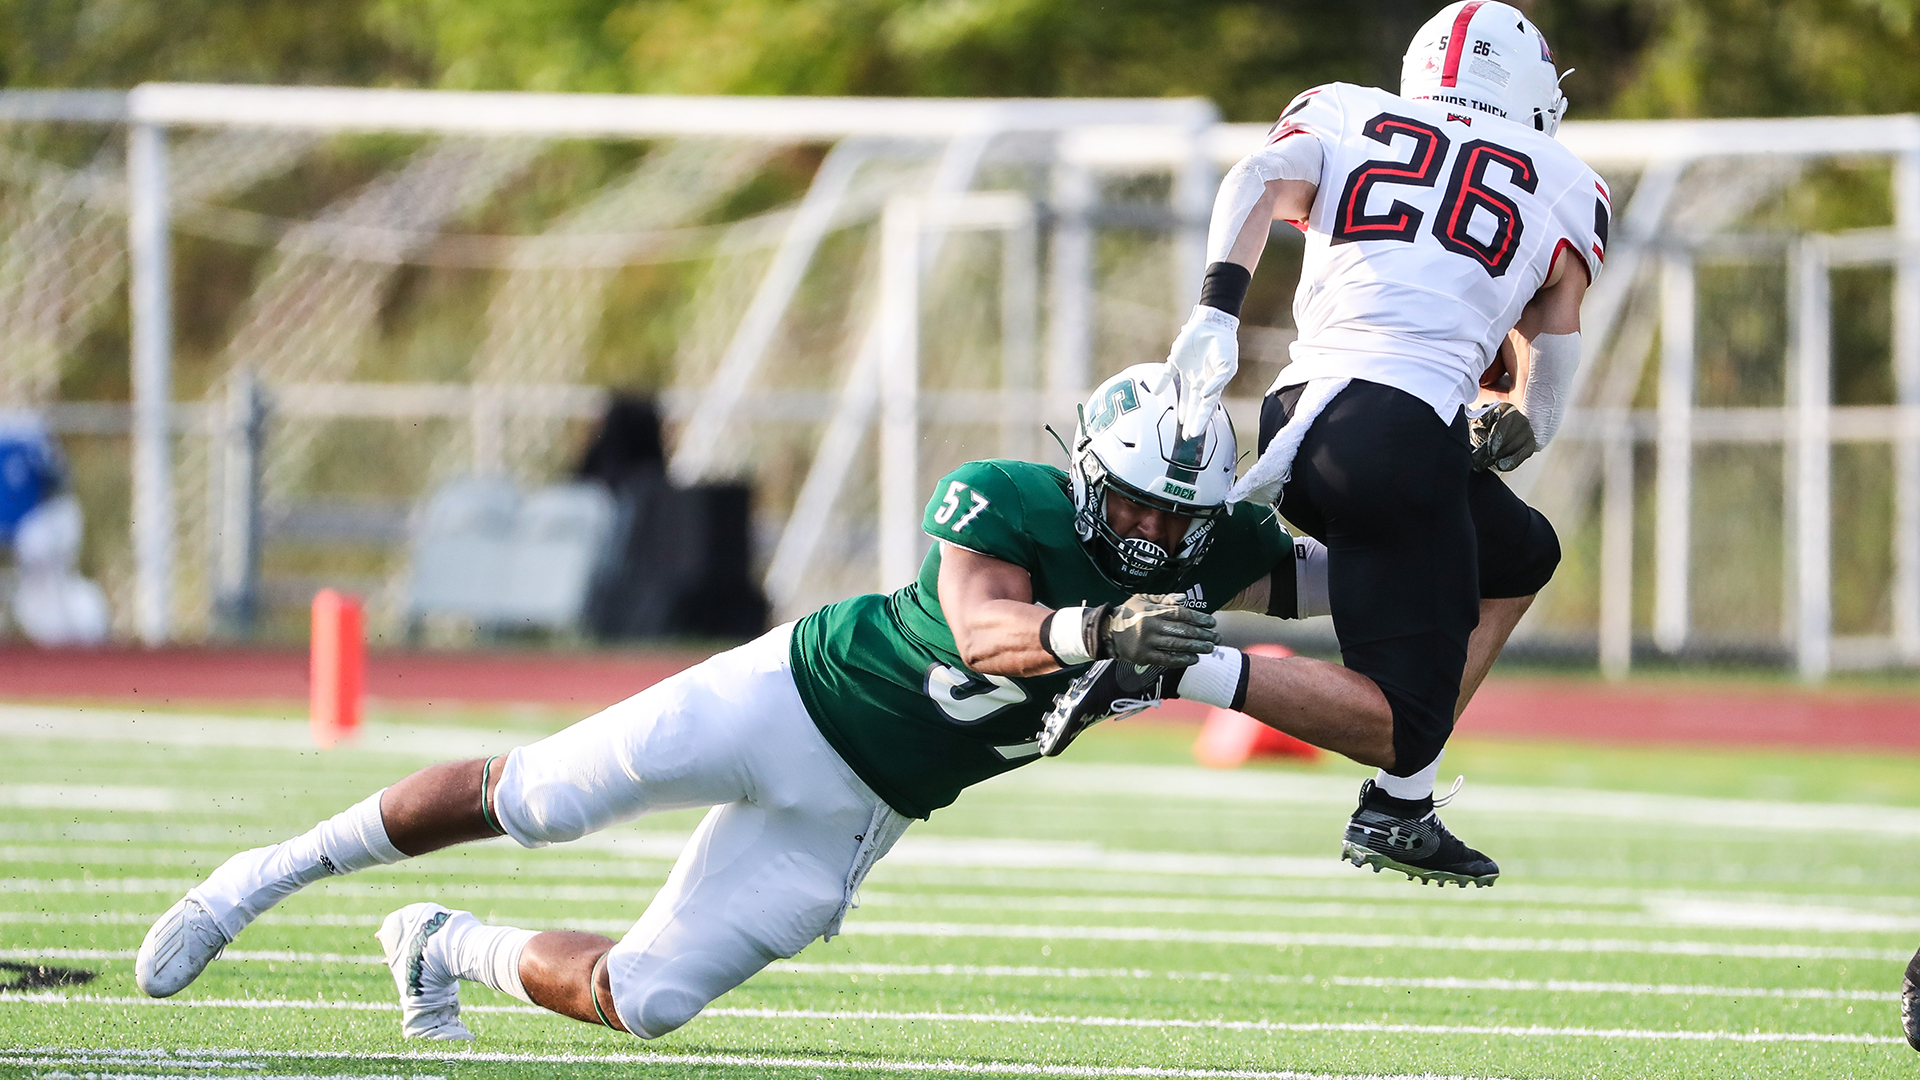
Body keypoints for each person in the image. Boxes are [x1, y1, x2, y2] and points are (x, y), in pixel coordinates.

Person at [134, 365, 1348, 1042]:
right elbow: (986, 629)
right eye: (1133, 505)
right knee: (542, 800)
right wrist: (1093, 632)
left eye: (1178, 518)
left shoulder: (1217, 545)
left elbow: (1354, 585)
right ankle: (256, 878)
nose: (1154, 537)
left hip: (865, 805)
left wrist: (1427, 515)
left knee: (648, 1001)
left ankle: (442, 942)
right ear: (1084, 474)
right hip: (795, 694)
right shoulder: (1004, 496)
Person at [1151, 1, 1609, 887]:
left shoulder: (1343, 107)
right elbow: (1552, 348)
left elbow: (1255, 176)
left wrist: (1214, 313)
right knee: (1400, 722)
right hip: (1398, 433)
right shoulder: (1564, 178)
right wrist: (1531, 421)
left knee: (1519, 552)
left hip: (1303, 415)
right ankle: (1166, 668)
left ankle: (1399, 802)